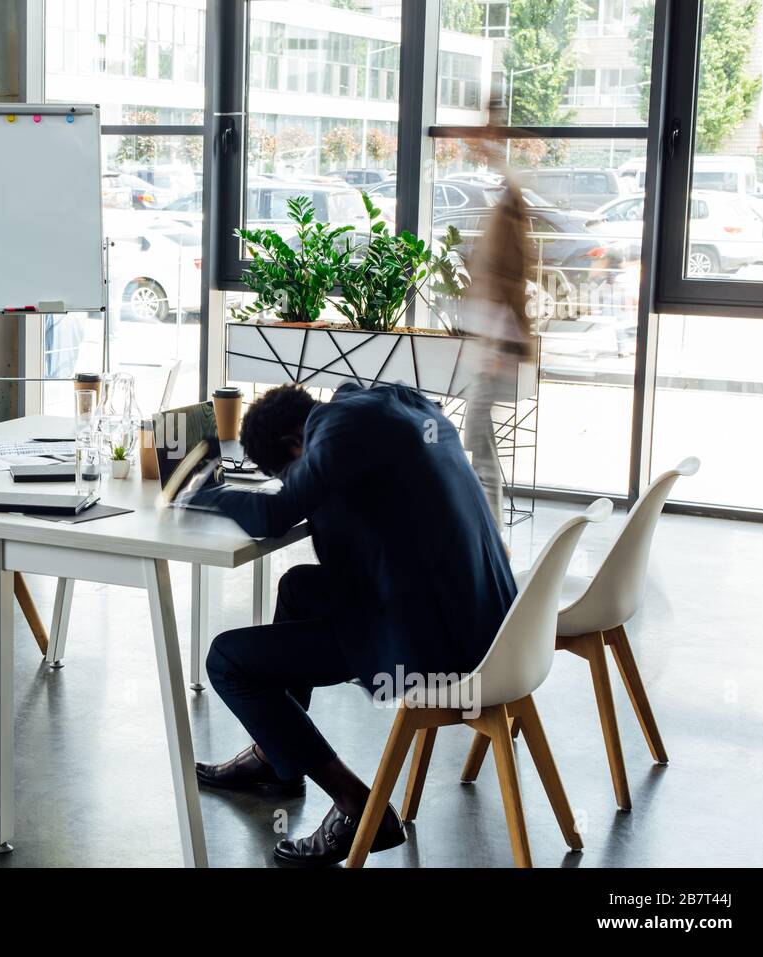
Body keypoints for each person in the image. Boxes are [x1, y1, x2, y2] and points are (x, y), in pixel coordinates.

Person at [189, 382, 517, 867]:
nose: (294, 481)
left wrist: (201, 493)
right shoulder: (390, 405)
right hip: (491, 622)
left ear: (293, 445)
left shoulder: (336, 433)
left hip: (437, 645)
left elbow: (275, 514)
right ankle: (275, 758)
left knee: (227, 660)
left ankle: (358, 805)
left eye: (287, 472)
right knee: (299, 586)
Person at [462, 152, 535, 524]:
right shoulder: (507, 239)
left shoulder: (506, 254)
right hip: (490, 360)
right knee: (481, 447)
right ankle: (490, 528)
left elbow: (500, 312)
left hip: (493, 363)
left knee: (477, 443)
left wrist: (492, 354)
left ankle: (489, 530)